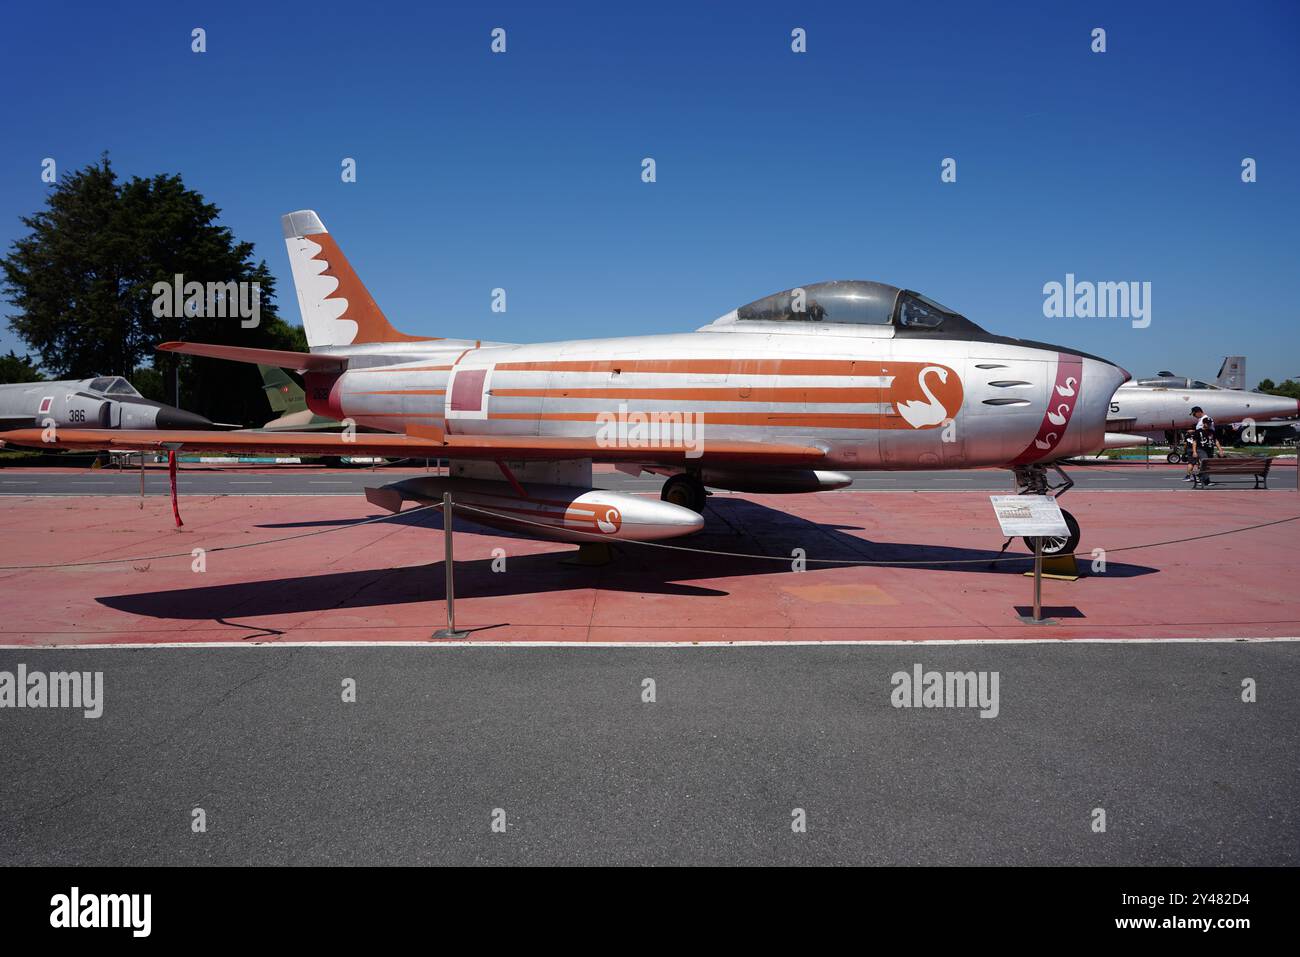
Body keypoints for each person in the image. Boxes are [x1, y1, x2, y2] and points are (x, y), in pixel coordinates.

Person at [1190, 406, 1220, 488]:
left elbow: (1209, 432)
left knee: (1206, 463)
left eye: (1194, 414)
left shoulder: (1206, 419)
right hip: (1201, 446)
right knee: (1204, 462)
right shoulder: (1201, 420)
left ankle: (1204, 479)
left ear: (1198, 412)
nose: (1194, 416)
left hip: (1207, 445)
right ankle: (1203, 479)